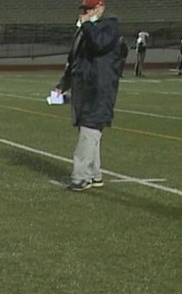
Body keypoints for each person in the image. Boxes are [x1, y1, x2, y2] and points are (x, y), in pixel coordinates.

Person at [54, 0, 123, 192]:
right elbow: (74, 61)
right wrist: (62, 85)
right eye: (84, 9)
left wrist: (86, 26)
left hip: (99, 90)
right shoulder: (84, 30)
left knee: (89, 131)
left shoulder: (109, 28)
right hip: (84, 89)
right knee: (90, 134)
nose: (85, 12)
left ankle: (80, 177)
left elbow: (98, 45)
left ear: (100, 8)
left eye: (90, 9)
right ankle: (93, 174)